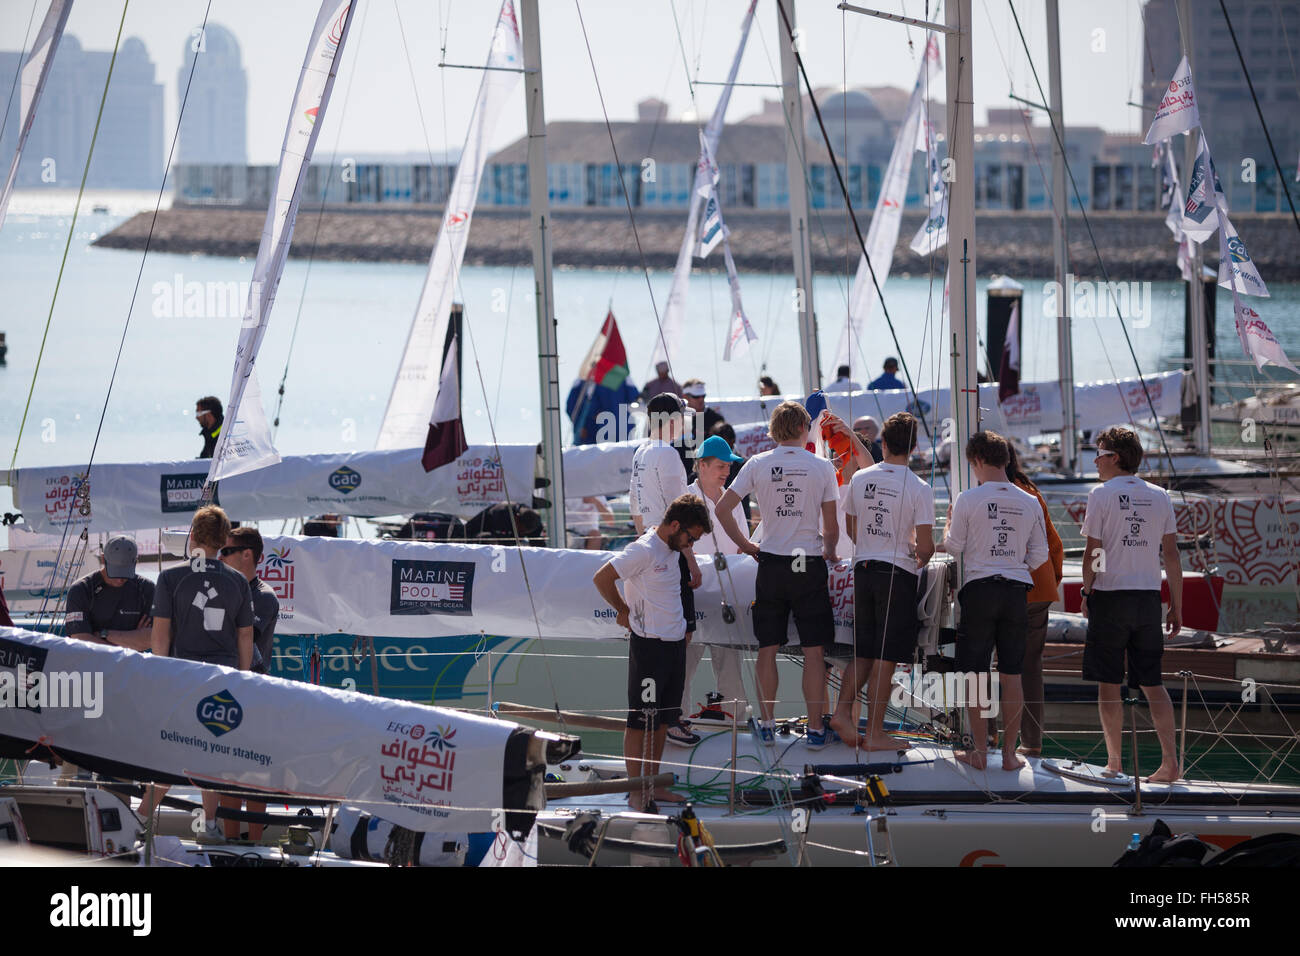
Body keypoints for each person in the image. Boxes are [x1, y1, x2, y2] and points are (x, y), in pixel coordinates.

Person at [713, 400, 840, 747]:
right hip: (807, 562)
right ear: (803, 428)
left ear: (773, 431)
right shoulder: (821, 467)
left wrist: (746, 544)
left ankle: (767, 724)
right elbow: (831, 528)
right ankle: (815, 729)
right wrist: (829, 551)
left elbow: (722, 508)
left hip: (770, 562)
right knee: (814, 651)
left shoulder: (758, 463)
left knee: (767, 647)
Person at [139, 505, 255, 838]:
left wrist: (160, 676)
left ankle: (142, 816)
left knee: (174, 749)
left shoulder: (171, 578)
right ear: (223, 541)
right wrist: (243, 679)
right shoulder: (237, 582)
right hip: (223, 677)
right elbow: (244, 636)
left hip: (181, 676)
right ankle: (211, 824)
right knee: (212, 749)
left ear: (192, 537)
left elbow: (160, 634)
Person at [592, 494, 711, 811]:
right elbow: (602, 577)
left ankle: (654, 786)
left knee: (663, 721)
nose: (692, 544)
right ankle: (635, 791)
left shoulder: (674, 549)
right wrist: (621, 609)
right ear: (675, 525)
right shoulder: (643, 550)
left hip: (674, 647)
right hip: (649, 647)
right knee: (640, 721)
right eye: (691, 537)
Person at [1081, 426, 1182, 783]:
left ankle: (1114, 763)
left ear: (1115, 457)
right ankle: (1171, 763)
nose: (1095, 461)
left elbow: (1095, 551)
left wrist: (1087, 590)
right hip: (1147, 598)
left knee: (1109, 683)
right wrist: (1177, 605)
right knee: (1152, 682)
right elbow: (1170, 555)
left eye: (1099, 453)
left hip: (1111, 596)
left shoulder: (1101, 494)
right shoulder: (1160, 495)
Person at [942, 430, 1047, 772]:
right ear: (1005, 460)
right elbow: (1040, 555)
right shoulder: (1029, 501)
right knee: (1012, 673)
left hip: (980, 590)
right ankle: (1009, 754)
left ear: (977, 461)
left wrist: (947, 529)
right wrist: (1013, 564)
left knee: (975, 673)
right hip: (1016, 591)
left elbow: (954, 547)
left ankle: (978, 751)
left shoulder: (967, 499)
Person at [833, 412, 934, 751]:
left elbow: (851, 529)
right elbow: (926, 547)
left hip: (862, 569)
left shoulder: (861, 478)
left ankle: (841, 713)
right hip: (896, 574)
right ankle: (875, 733)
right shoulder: (920, 488)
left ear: (884, 444)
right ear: (914, 447)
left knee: (863, 651)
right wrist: (917, 558)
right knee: (885, 657)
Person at [629, 393, 703, 746]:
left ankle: (660, 717)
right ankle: (672, 718)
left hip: (648, 549)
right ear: (672, 420)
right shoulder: (669, 454)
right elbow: (681, 517)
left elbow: (636, 510)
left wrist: (645, 546)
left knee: (654, 637)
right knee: (679, 635)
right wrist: (690, 560)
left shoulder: (641, 452)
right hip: (670, 555)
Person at [681, 434, 748, 725]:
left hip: (725, 595)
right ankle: (677, 718)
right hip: (691, 594)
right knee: (683, 663)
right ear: (702, 466)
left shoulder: (733, 501)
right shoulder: (683, 500)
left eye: (728, 466)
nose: (726, 471)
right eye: (720, 465)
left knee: (730, 663)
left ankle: (736, 717)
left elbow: (740, 546)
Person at [219, 525, 280, 841]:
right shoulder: (225, 592)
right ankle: (230, 843)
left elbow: (242, 642)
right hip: (225, 691)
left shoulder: (263, 596)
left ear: (246, 555)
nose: (221, 556)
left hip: (254, 693)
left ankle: (254, 845)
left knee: (253, 774)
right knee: (228, 773)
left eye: (226, 551)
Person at [1004, 444, 1064, 756]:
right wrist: (1051, 581)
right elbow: (1055, 543)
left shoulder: (997, 493)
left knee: (988, 664)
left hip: (1007, 588)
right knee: (1030, 668)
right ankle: (1032, 743)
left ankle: (987, 739)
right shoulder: (1029, 490)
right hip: (1038, 588)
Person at [63, 536, 155, 651]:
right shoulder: (82, 589)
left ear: (136, 562)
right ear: (103, 559)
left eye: (125, 572)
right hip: (94, 667)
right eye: (115, 572)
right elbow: (80, 640)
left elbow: (152, 639)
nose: (120, 579)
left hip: (132, 667)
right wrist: (131, 643)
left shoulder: (146, 589)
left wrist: (104, 634)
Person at [566, 374, 639, 445]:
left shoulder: (623, 376)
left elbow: (635, 401)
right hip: (591, 436)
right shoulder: (583, 379)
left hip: (620, 434)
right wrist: (579, 427)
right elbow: (571, 407)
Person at [681, 379, 724, 443]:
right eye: (696, 396)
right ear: (685, 396)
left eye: (703, 396)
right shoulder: (679, 417)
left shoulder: (716, 418)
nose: (701, 399)